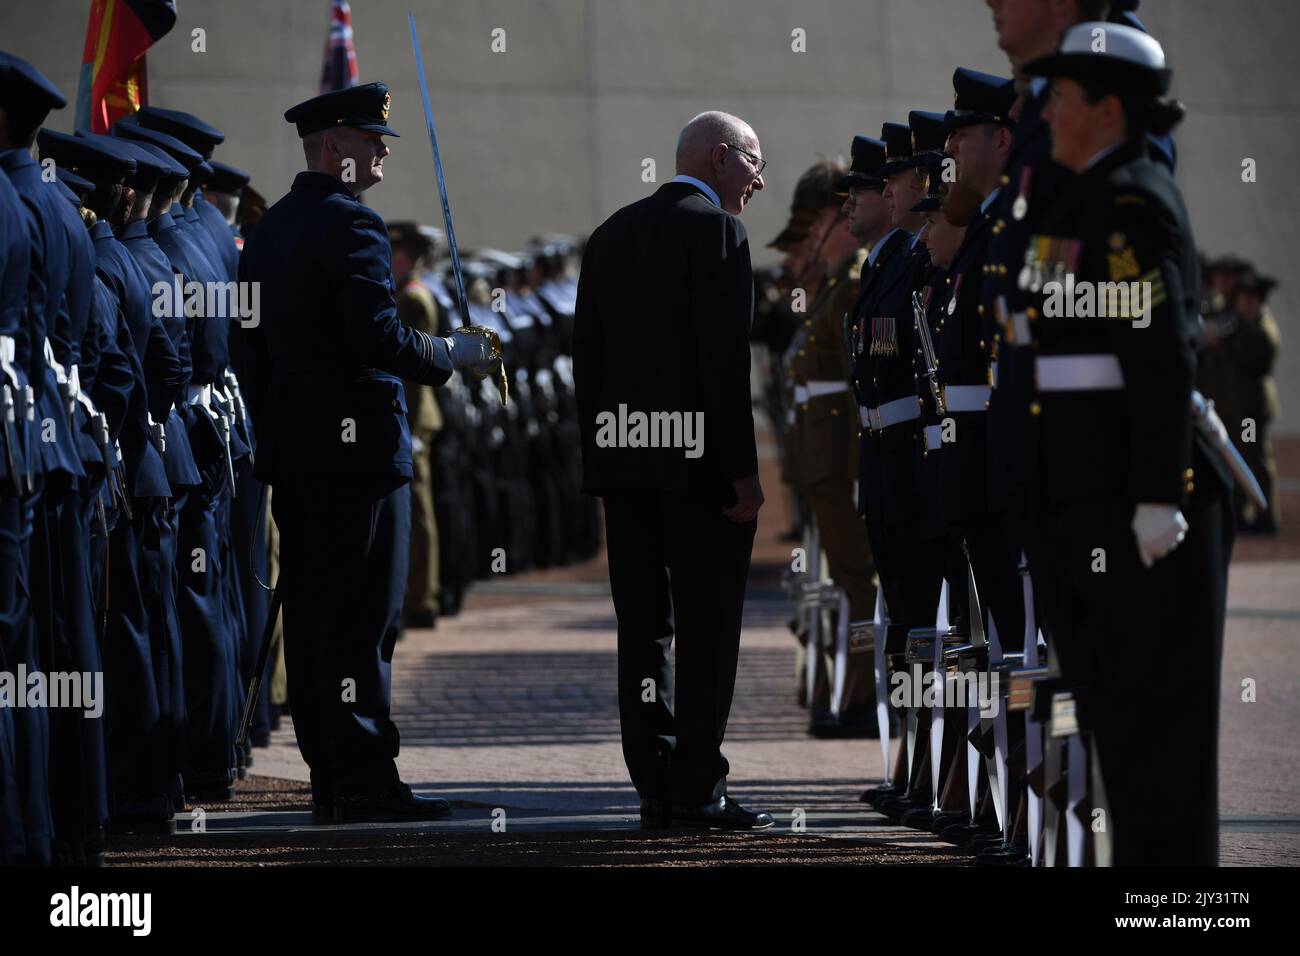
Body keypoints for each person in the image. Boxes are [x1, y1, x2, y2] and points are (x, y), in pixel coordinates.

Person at [240, 82, 500, 822]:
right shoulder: (352, 226)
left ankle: (334, 772)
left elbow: (250, 349)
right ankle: (362, 777)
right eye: (368, 138)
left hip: (296, 454)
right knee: (361, 620)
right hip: (355, 460)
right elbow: (377, 338)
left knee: (322, 615)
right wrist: (449, 351)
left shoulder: (270, 229)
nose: (382, 149)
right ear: (332, 149)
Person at [1024, 19, 1211, 865]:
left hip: (1131, 502)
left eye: (1061, 96)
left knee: (1156, 748)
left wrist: (1156, 494)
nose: (1047, 111)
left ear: (1109, 108)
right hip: (1081, 490)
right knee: (1114, 730)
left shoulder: (1132, 197)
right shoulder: (1075, 197)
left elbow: (1160, 351)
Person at [573, 110, 772, 830]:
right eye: (754, 163)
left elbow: (587, 363)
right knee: (708, 625)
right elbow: (724, 366)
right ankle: (698, 782)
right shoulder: (719, 231)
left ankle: (653, 778)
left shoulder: (610, 235)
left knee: (644, 629)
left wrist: (600, 460)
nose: (759, 180)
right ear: (720, 157)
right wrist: (743, 474)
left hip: (625, 467)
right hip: (697, 474)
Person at [388, 221, 445, 628]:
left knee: (419, 513)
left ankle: (422, 598)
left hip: (414, 411)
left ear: (406, 256)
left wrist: (409, 423)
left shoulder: (412, 298)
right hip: (414, 412)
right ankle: (420, 595)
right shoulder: (410, 293)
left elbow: (413, 366)